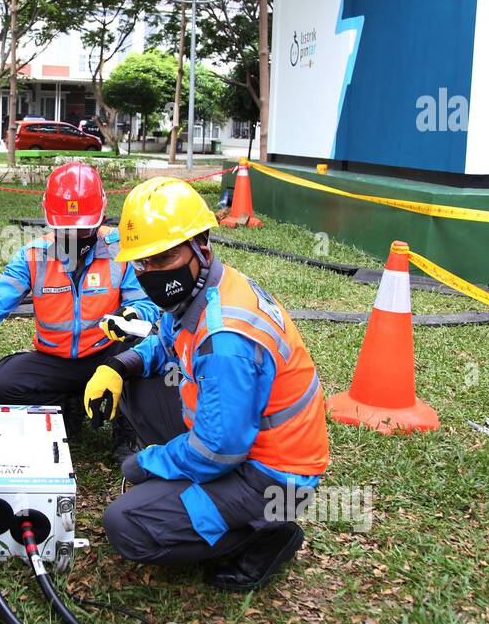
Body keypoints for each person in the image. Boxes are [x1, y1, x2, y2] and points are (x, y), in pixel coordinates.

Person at [85, 177, 330, 593]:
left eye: (163, 259)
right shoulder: (203, 289)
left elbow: (220, 449)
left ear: (201, 246)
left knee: (126, 524)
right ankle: (196, 493)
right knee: (134, 385)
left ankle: (264, 533)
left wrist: (148, 463)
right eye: (142, 263)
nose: (150, 273)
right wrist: (119, 366)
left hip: (270, 475)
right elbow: (162, 345)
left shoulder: (226, 339)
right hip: (239, 439)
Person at [0, 162, 158, 437]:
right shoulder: (34, 256)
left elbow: (145, 303)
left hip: (105, 353)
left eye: (82, 230)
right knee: (1, 383)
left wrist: (133, 316)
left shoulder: (121, 251)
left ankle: (125, 433)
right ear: (50, 219)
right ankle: (66, 407)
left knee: (146, 350)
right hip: (55, 361)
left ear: (100, 217)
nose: (73, 237)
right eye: (65, 229)